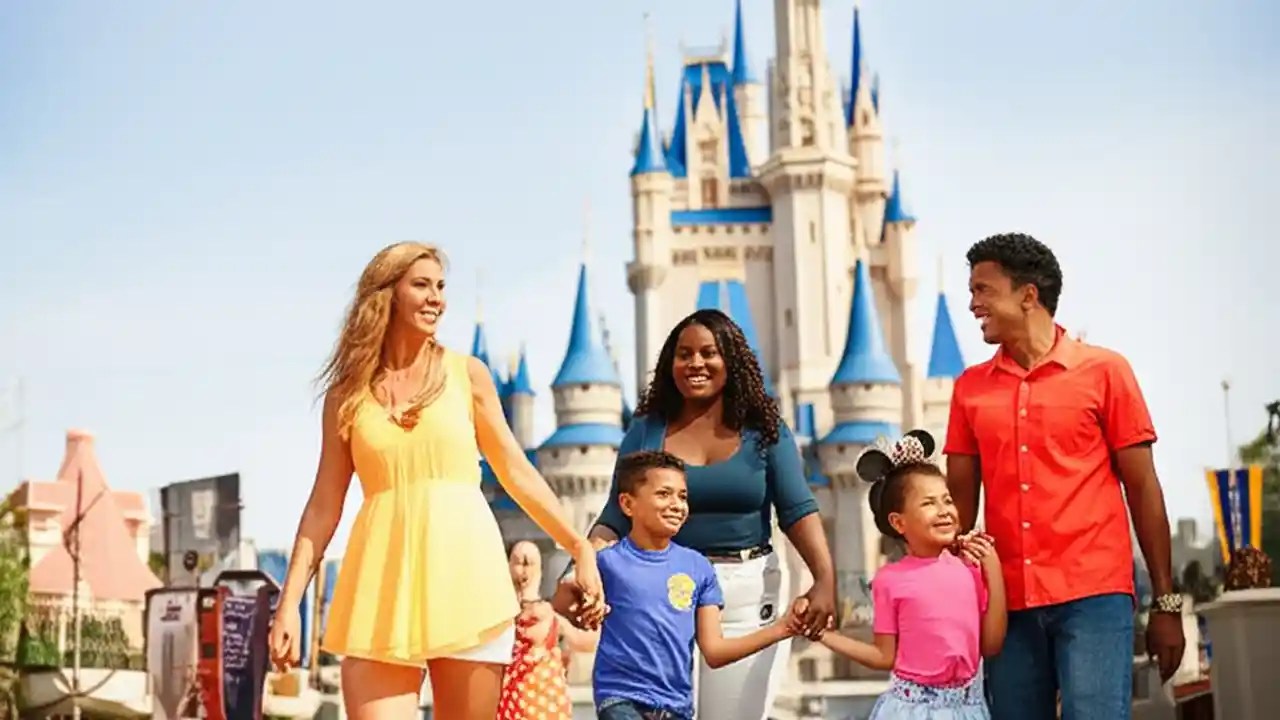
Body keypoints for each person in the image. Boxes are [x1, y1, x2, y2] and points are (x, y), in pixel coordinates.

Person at [265, 242, 606, 720]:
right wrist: (289, 601)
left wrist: (578, 545)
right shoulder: (347, 394)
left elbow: (515, 471)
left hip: (466, 574)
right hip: (379, 582)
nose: (437, 299)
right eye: (421, 285)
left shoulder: (468, 375)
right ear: (385, 295)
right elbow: (324, 505)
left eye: (441, 287)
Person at [944, 232, 1185, 720]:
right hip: (1005, 605)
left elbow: (1143, 488)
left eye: (983, 290)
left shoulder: (1106, 372)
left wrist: (1167, 603)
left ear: (1028, 295)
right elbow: (958, 513)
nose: (972, 304)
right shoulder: (969, 390)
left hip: (1094, 597)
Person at [562, 308, 837, 720]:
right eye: (683, 353)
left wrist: (825, 579)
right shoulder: (646, 430)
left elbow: (797, 510)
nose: (695, 363)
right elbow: (615, 516)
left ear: (731, 359)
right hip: (659, 593)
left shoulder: (764, 429)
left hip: (746, 594)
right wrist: (577, 569)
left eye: (708, 353)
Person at [553, 450, 797, 720]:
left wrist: (782, 629)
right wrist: (581, 577)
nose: (677, 505)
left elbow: (715, 651)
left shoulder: (697, 568)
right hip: (621, 701)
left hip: (676, 707)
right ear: (627, 504)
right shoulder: (608, 562)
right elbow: (562, 608)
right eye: (663, 494)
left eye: (682, 496)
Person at [815, 430, 1006, 719]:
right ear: (898, 522)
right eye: (929, 503)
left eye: (947, 500)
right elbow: (884, 656)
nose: (944, 511)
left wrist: (991, 564)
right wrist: (826, 637)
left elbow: (990, 645)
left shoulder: (970, 570)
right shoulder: (889, 580)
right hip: (912, 712)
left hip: (967, 709)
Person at [497, 541, 595, 720]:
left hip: (532, 705)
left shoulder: (547, 616)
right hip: (536, 705)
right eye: (519, 562)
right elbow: (585, 643)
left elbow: (585, 643)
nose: (524, 569)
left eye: (529, 563)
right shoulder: (505, 616)